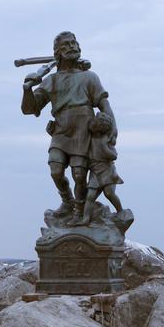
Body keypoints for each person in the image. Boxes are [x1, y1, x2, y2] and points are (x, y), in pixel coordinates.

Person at [21, 31, 116, 223]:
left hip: (83, 127)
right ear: (58, 52)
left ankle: (79, 211)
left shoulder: (89, 77)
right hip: (61, 128)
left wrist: (113, 128)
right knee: (55, 169)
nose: (72, 46)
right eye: (66, 44)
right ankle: (67, 200)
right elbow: (30, 109)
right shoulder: (51, 80)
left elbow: (105, 106)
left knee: (79, 174)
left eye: (74, 43)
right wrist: (27, 89)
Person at [68, 112, 124, 226]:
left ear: (101, 127)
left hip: (107, 170)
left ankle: (120, 211)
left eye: (95, 123)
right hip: (95, 172)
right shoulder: (89, 138)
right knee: (90, 196)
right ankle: (85, 219)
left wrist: (104, 147)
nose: (92, 123)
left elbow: (114, 156)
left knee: (109, 193)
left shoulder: (106, 140)